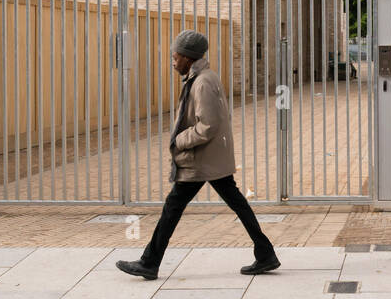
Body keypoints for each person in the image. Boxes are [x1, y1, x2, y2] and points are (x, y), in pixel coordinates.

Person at [116, 30, 280, 279]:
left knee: (173, 207)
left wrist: (180, 140)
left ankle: (149, 263)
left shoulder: (202, 81)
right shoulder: (204, 77)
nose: (173, 61)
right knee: (235, 203)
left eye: (176, 56)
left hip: (201, 159)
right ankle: (265, 253)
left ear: (188, 57)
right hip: (211, 158)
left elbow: (208, 124)